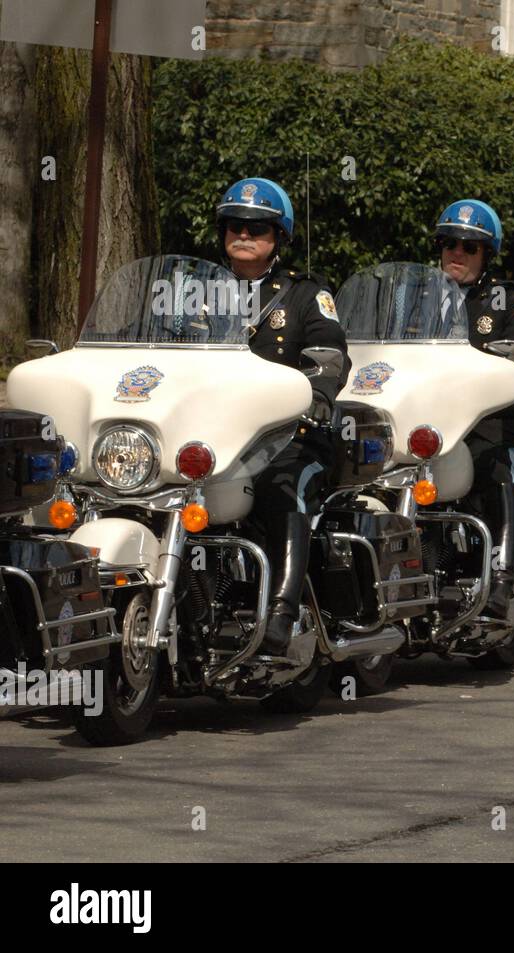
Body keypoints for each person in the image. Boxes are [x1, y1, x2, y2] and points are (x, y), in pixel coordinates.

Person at [216, 177, 350, 656]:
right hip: (214, 434)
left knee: (281, 486)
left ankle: (281, 611)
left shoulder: (303, 294)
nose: (244, 233)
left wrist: (316, 394)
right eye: (234, 224)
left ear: (279, 238)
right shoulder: (195, 294)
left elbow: (330, 356)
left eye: (258, 226)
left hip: (288, 435)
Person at [435, 199, 514, 623]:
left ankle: (501, 575)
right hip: (431, 416)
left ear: (487, 254)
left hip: (489, 420)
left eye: (469, 246)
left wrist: (513, 373)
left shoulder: (508, 298)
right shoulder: (417, 296)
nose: (456, 253)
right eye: (448, 243)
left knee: (498, 470)